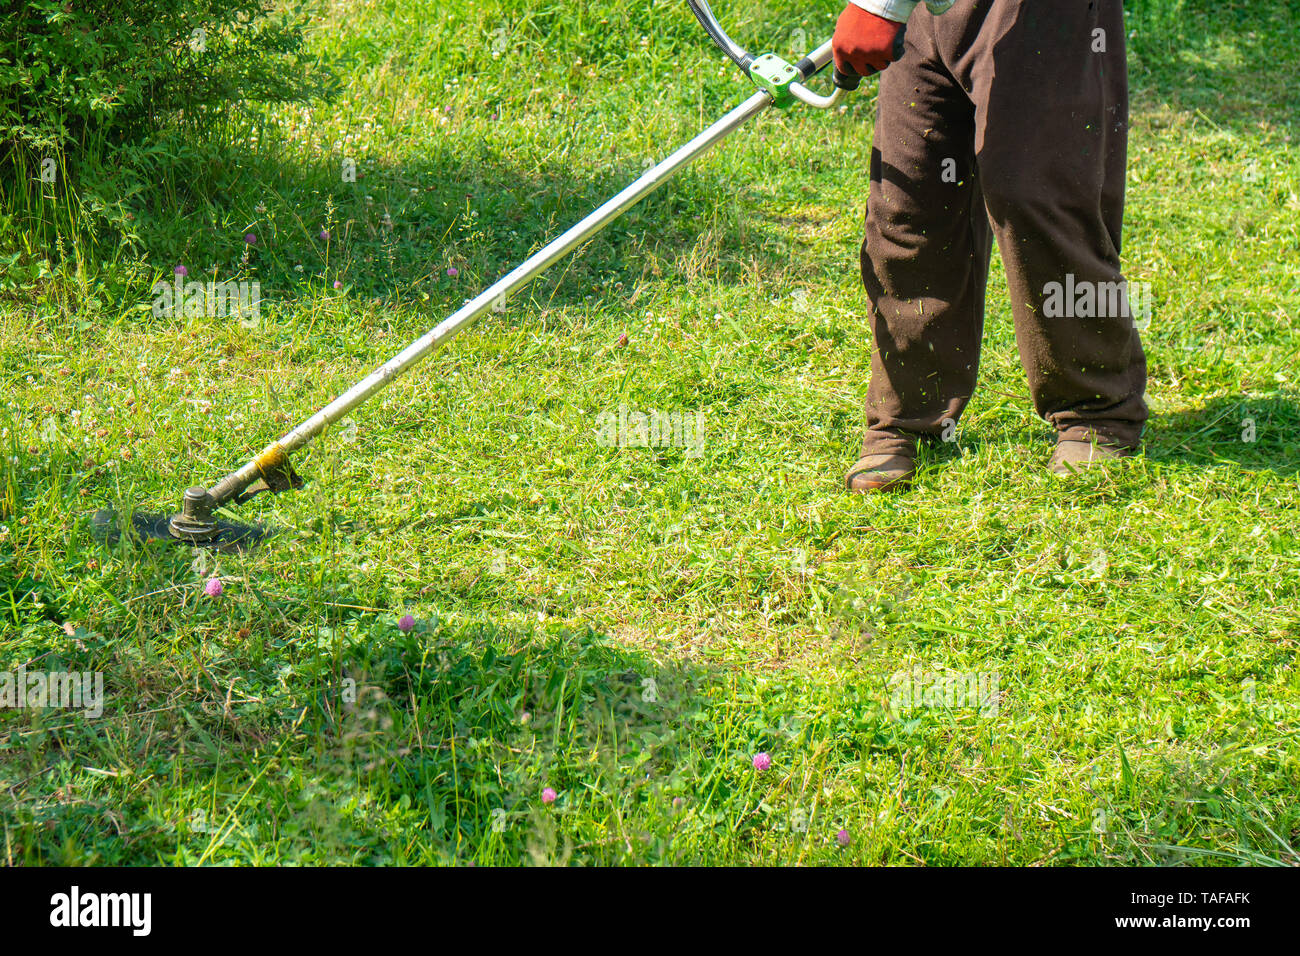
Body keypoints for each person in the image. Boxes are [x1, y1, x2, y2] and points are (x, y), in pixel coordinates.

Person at [831, 0, 1148, 491]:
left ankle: (1098, 410)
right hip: (925, 12)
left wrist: (878, 5)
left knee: (1035, 194)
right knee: (908, 201)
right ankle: (907, 414)